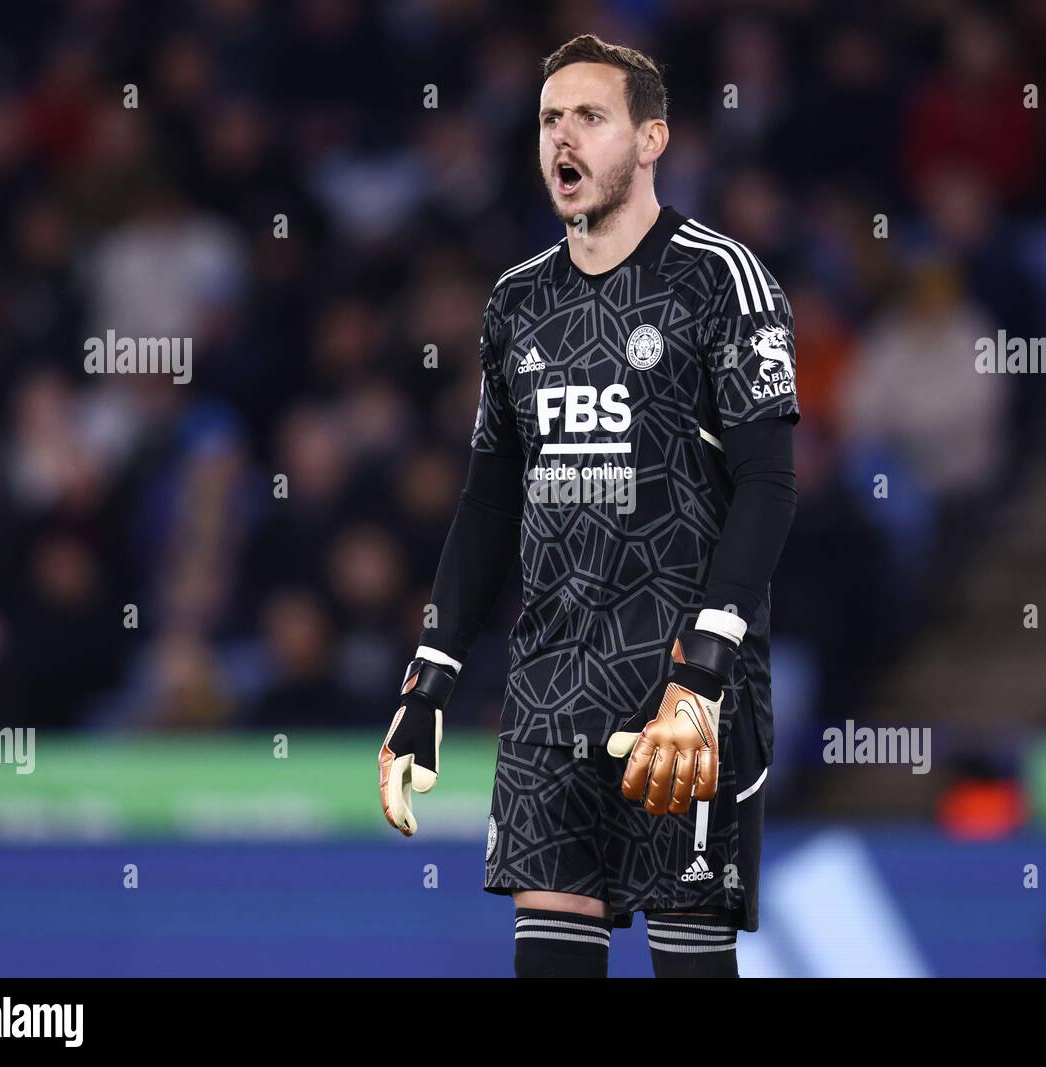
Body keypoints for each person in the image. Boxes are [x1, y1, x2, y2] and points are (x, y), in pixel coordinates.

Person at [378, 33, 799, 978]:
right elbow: (488, 500)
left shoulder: (721, 281)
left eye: (590, 118)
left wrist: (706, 672)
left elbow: (770, 486)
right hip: (551, 686)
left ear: (652, 139)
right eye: (549, 120)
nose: (562, 139)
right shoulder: (517, 302)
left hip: (682, 693)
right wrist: (430, 679)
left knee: (691, 961)